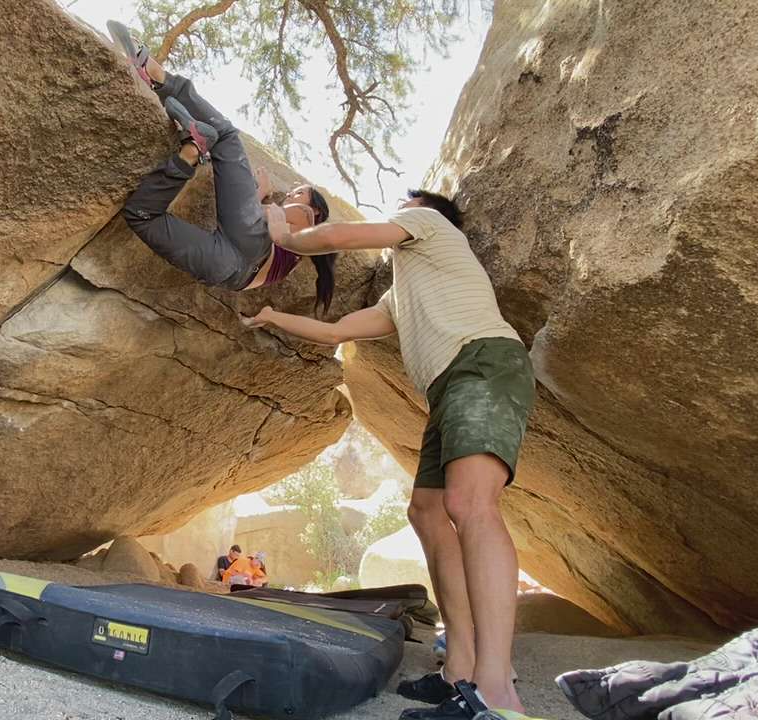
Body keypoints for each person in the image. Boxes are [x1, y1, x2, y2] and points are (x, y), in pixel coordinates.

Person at [238, 189, 535, 719]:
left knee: (471, 506)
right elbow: (336, 331)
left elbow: (339, 236)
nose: (398, 210)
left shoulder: (430, 225)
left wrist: (282, 234)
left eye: (404, 204)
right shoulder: (401, 297)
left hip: (483, 363)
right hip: (450, 387)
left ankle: (495, 692)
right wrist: (272, 316)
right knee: (426, 512)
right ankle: (458, 670)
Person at [107, 21, 339, 315]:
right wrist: (260, 199)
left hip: (248, 244)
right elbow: (248, 230)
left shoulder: (309, 223)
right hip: (230, 272)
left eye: (299, 192)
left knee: (228, 138)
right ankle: (192, 149)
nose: (291, 192)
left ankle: (158, 75)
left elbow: (275, 223)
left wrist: (265, 202)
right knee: (142, 216)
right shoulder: (292, 261)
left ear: (316, 210)